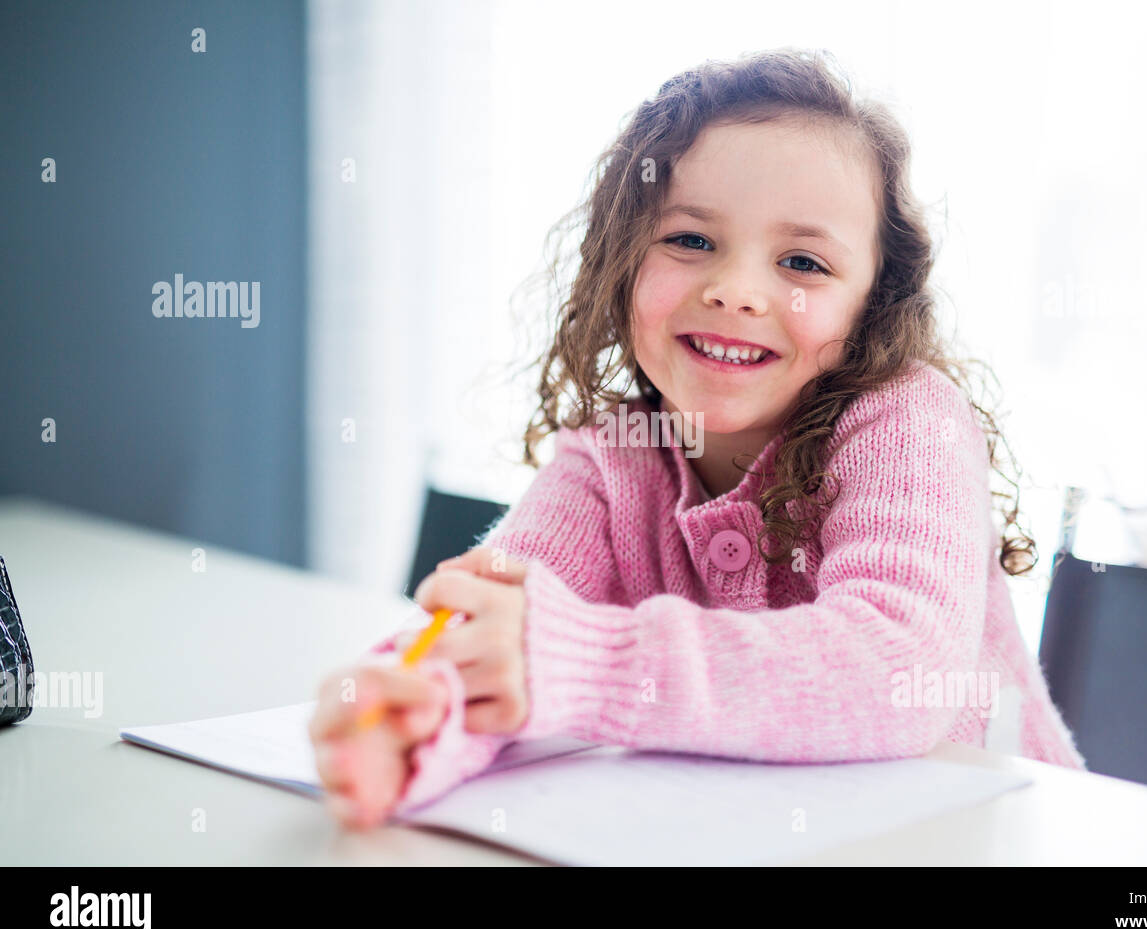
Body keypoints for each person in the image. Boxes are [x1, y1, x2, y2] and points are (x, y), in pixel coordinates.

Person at [309, 47, 1086, 830]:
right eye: (690, 241)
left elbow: (897, 665)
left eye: (803, 262)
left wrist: (592, 664)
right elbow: (494, 635)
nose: (736, 291)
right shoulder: (613, 452)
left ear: (869, 312)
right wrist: (416, 719)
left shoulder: (909, 424)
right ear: (621, 261)